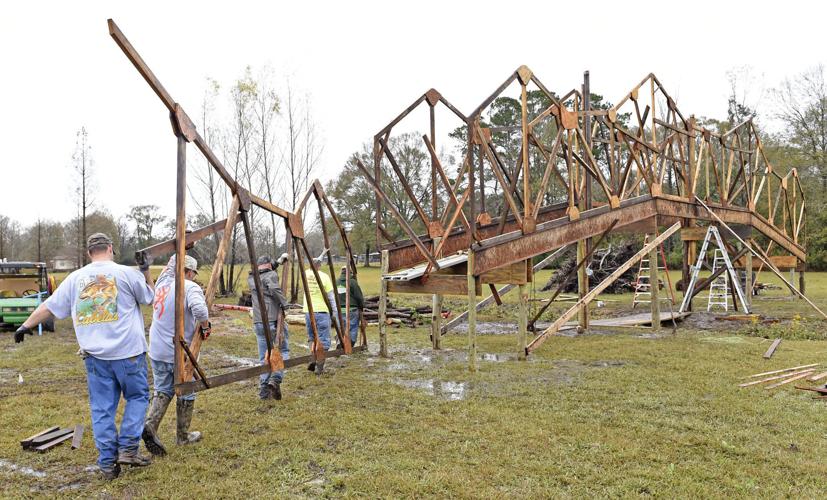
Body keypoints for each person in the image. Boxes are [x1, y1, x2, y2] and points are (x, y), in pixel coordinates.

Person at [15, 233, 155, 480]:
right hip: (129, 355)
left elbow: (49, 306)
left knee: (102, 409)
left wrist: (25, 326)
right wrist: (146, 272)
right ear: (110, 248)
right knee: (137, 397)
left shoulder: (75, 279)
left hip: (95, 358)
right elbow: (149, 297)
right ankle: (128, 449)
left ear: (89, 253)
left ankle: (108, 465)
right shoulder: (126, 274)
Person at [142, 254, 210, 457]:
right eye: (192, 273)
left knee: (163, 388)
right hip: (178, 351)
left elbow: (172, 262)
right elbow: (200, 309)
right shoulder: (189, 287)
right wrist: (205, 326)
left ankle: (150, 425)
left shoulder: (162, 284)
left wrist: (184, 245)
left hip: (157, 348)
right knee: (186, 390)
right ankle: (183, 436)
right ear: (189, 272)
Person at [248, 254, 290, 400]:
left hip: (258, 321)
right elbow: (274, 289)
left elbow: (267, 270)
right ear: (268, 266)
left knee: (264, 357)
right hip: (272, 320)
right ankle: (275, 378)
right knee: (282, 350)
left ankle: (264, 391)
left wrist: (278, 261)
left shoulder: (252, 277)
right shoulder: (271, 275)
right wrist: (285, 304)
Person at [304, 257, 333, 374]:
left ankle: (313, 358)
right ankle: (319, 366)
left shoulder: (305, 274)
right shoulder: (325, 277)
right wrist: (334, 312)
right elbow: (331, 297)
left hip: (308, 312)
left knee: (312, 338)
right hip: (322, 311)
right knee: (324, 341)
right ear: (319, 265)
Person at [337, 266, 364, 347]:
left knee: (342, 327)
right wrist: (362, 307)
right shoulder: (352, 282)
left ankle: (340, 342)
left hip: (340, 310)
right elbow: (359, 297)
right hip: (352, 310)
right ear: (350, 272)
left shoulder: (336, 282)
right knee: (353, 327)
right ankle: (351, 343)